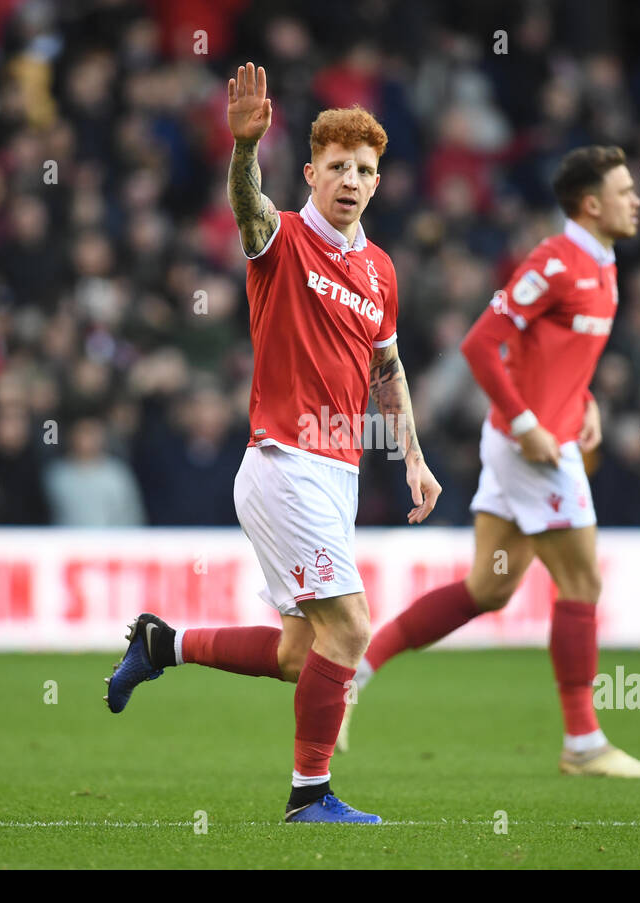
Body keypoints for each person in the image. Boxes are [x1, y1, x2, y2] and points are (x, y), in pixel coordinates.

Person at [104, 63, 441, 823]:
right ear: (312, 172)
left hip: (339, 472)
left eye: (365, 170)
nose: (351, 180)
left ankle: (164, 645)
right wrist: (243, 149)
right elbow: (247, 206)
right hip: (284, 461)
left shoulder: (381, 270)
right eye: (338, 167)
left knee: (301, 656)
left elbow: (387, 366)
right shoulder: (282, 237)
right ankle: (309, 797)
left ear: (377, 183)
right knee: (351, 627)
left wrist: (413, 456)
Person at [343, 146, 640, 778]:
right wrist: (527, 424)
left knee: (488, 588)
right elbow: (482, 344)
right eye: (625, 191)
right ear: (591, 204)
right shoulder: (555, 261)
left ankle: (357, 670)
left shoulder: (603, 265)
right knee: (582, 585)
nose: (637, 200)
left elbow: (552, 352)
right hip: (532, 449)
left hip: (540, 438)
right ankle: (583, 744)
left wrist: (586, 398)